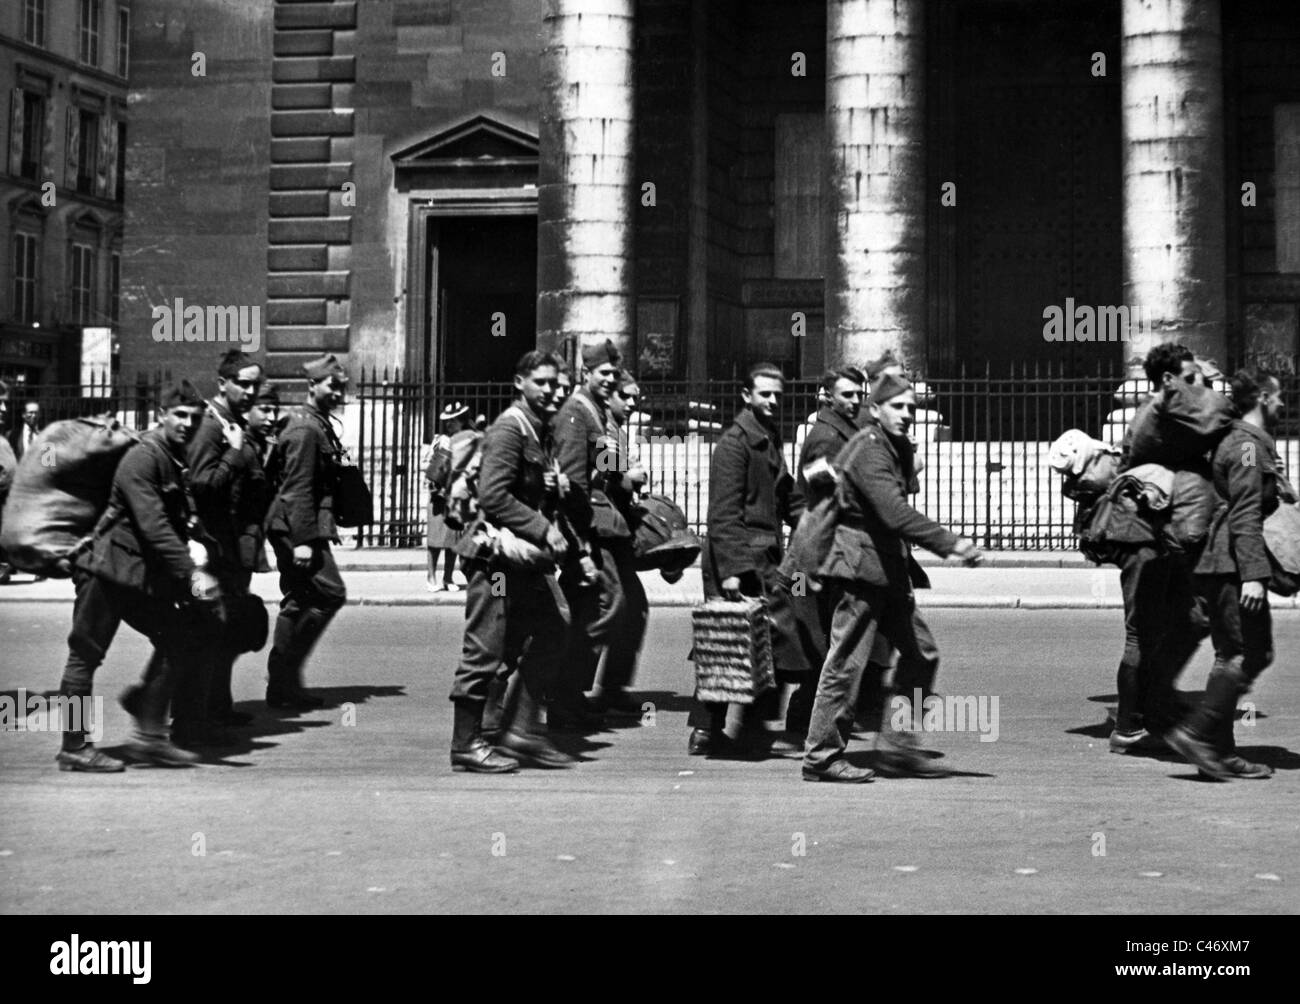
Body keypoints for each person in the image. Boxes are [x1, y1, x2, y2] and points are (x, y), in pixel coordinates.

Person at [801, 374, 981, 782]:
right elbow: (894, 512)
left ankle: (897, 748)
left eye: (912, 408)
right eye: (898, 407)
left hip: (888, 569)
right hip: (860, 567)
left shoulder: (888, 446)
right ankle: (821, 756)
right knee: (846, 662)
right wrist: (951, 543)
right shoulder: (867, 448)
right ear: (876, 409)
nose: (907, 414)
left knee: (921, 654)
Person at [57, 381, 221, 771]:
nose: (186, 424)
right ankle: (74, 746)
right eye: (179, 416)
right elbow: (154, 526)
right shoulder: (142, 458)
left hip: (137, 574)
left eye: (194, 418)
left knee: (180, 637)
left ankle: (148, 734)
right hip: (105, 569)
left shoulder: (174, 458)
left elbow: (176, 523)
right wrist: (193, 575)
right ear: (161, 415)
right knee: (85, 656)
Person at [449, 350, 575, 773]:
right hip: (496, 561)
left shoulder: (540, 430)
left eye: (556, 383)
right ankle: (466, 743)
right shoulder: (509, 428)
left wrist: (555, 488)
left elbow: (525, 490)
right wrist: (544, 528)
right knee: (485, 647)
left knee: (553, 630)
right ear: (519, 382)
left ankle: (519, 730)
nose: (551, 390)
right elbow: (493, 496)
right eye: (541, 381)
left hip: (523, 561)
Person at [1166, 368, 1287, 781]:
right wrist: (1254, 575)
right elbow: (1246, 512)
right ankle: (1197, 733)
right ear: (1262, 399)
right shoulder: (1248, 448)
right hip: (1232, 565)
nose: (1282, 404)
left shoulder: (1234, 441)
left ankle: (1217, 752)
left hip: (1218, 563)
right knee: (1250, 653)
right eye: (1278, 396)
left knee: (1231, 652)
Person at [688, 362, 804, 758]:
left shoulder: (767, 437)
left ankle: (737, 725)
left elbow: (785, 494)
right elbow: (722, 514)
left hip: (764, 556)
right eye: (764, 394)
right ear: (746, 396)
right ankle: (714, 727)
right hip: (739, 557)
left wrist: (807, 519)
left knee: (753, 641)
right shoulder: (735, 444)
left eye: (777, 395)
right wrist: (734, 573)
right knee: (733, 641)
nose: (773, 401)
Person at [1108, 343, 1212, 752]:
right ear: (1167, 380)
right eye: (1188, 379)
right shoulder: (1157, 414)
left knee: (1181, 619)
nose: (1196, 387)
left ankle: (1154, 705)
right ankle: (1127, 725)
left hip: (1160, 535)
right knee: (1142, 633)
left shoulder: (1163, 414)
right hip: (1142, 539)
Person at [175, 350, 264, 746]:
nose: (249, 390)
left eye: (254, 384)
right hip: (208, 547)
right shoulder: (211, 428)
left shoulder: (232, 423)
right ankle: (194, 715)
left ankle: (217, 707)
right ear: (222, 383)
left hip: (228, 544)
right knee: (206, 629)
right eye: (242, 383)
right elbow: (202, 486)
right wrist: (235, 452)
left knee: (224, 628)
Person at [777, 367, 867, 743]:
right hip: (811, 559)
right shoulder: (825, 438)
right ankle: (802, 719)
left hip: (819, 554)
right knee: (812, 639)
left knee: (817, 639)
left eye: (859, 394)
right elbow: (822, 497)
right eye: (847, 394)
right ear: (826, 396)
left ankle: (807, 716)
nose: (856, 400)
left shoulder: (841, 432)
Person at [263, 354, 350, 710]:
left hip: (299, 524)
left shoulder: (317, 423)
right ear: (312, 386)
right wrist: (303, 542)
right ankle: (284, 671)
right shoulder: (305, 429)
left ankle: (283, 684)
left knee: (299, 599)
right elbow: (298, 489)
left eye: (342, 386)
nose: (339, 392)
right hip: (294, 527)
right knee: (330, 592)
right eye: (332, 385)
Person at [550, 339, 624, 729]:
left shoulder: (598, 413)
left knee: (592, 609)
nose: (611, 380)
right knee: (604, 606)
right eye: (604, 374)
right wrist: (579, 545)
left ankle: (568, 694)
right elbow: (573, 484)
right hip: (586, 528)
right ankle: (563, 692)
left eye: (614, 374)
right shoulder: (575, 414)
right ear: (586, 374)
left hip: (600, 524)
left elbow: (612, 472)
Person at [591, 370, 651, 713]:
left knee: (631, 608)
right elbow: (608, 480)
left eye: (634, 398)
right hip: (604, 533)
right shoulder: (605, 431)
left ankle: (612, 687)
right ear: (609, 396)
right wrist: (632, 478)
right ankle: (568, 684)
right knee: (611, 608)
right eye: (625, 397)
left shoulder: (618, 431)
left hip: (617, 531)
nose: (631, 403)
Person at [423, 402, 471, 592]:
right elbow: (429, 466)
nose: (450, 425)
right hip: (439, 494)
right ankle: (431, 576)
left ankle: (448, 577)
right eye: (448, 421)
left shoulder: (464, 440)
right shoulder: (441, 440)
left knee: (453, 540)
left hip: (455, 494)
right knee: (435, 540)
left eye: (454, 421)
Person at [0, 381, 16, 585]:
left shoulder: (43, 437)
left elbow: (49, 464)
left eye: (5, 404)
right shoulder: (14, 435)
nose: (4, 409)